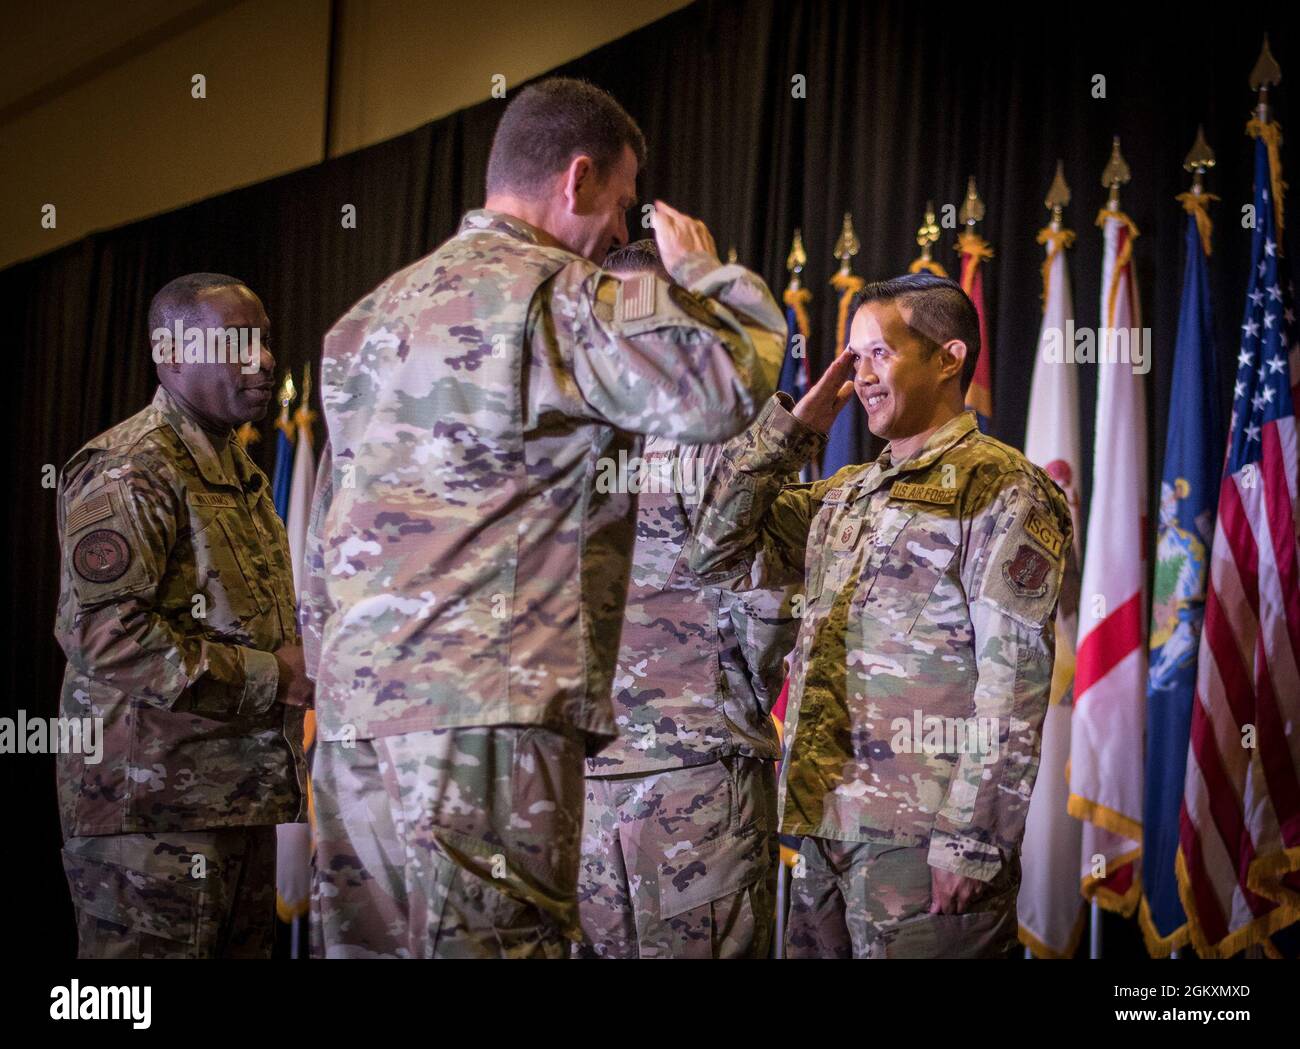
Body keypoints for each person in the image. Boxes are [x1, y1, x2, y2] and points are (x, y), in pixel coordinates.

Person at [301, 78, 786, 958]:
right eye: (624, 202)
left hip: (354, 730)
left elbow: (323, 546)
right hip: (485, 728)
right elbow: (729, 379)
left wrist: (332, 686)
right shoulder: (559, 295)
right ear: (577, 179)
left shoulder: (360, 326)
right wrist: (704, 274)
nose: (622, 230)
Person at [689, 273, 1073, 958]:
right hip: (821, 830)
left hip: (922, 847)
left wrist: (973, 840)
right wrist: (793, 430)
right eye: (852, 356)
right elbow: (715, 544)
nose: (859, 376)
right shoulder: (844, 496)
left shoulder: (1004, 488)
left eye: (879, 354)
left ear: (949, 357)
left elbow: (1013, 683)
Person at [55, 272, 311, 959]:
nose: (262, 359)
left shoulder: (239, 469)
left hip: (237, 802)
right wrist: (271, 677)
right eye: (237, 341)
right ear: (170, 353)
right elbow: (103, 636)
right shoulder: (129, 467)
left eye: (263, 339)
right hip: (152, 815)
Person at [574, 240, 798, 958]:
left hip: (686, 785)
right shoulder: (587, 435)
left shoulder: (709, 431)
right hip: (618, 775)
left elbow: (765, 593)